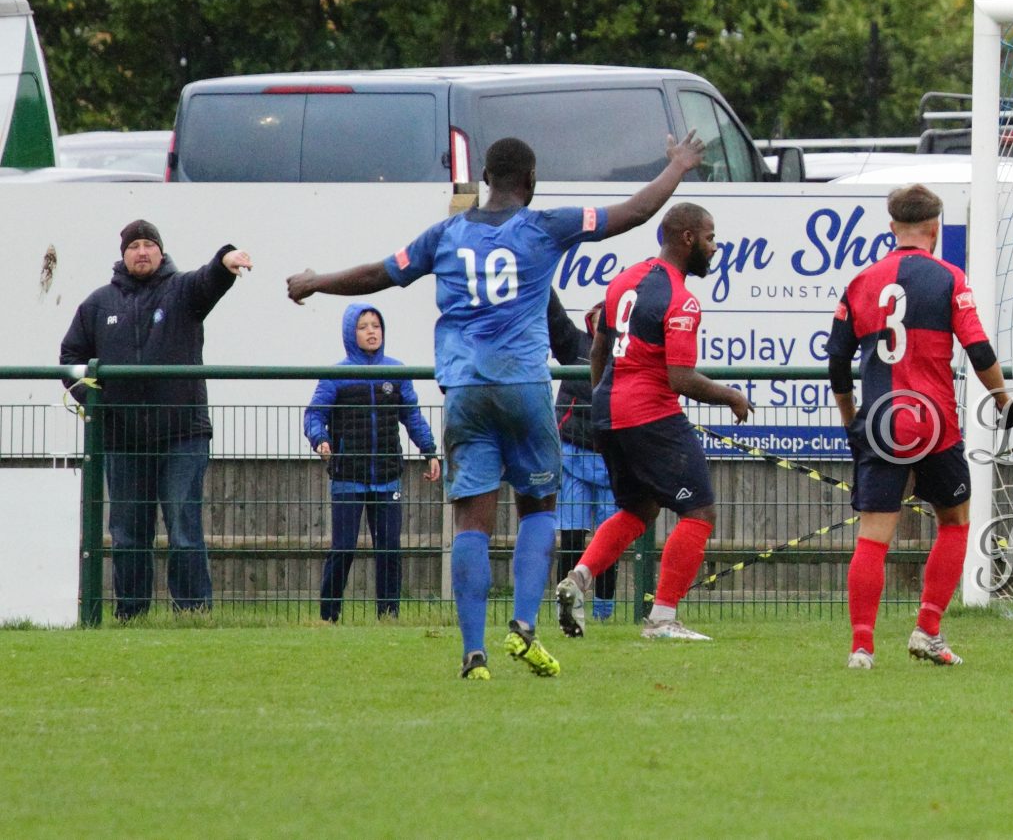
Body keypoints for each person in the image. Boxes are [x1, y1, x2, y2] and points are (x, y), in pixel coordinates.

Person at [287, 131, 703, 680]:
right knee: (539, 508)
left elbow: (379, 274)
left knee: (472, 524)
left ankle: (473, 650)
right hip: (524, 388)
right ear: (530, 182)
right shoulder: (544, 225)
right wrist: (676, 166)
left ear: (484, 179)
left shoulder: (446, 234)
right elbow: (634, 212)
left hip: (465, 390)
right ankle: (525, 627)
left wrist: (315, 281)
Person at [830, 183, 1013, 670]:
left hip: (881, 423)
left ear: (892, 229)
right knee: (954, 522)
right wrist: (1001, 397)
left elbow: (836, 362)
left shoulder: (862, 282)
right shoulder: (950, 278)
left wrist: (853, 420)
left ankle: (861, 649)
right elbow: (978, 350)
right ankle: (927, 630)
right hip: (934, 423)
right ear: (935, 228)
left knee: (873, 536)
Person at [553, 203, 752, 642]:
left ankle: (578, 580)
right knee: (698, 511)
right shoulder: (680, 299)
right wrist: (731, 396)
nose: (714, 248)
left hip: (607, 414)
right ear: (687, 238)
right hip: (650, 412)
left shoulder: (623, 280)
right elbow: (679, 378)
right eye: (710, 237)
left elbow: (599, 349)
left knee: (638, 510)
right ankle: (662, 619)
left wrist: (606, 397)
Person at [59, 220, 252, 618]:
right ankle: (131, 615)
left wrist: (224, 260)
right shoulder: (97, 305)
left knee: (183, 530)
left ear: (161, 252)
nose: (142, 252)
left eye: (149, 245)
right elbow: (70, 360)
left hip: (183, 434)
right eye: (134, 246)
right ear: (123, 254)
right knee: (128, 535)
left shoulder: (182, 291)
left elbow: (207, 281)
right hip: (123, 438)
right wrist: (96, 402)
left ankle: (193, 614)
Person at [303, 304, 440, 621]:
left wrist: (430, 451)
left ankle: (389, 615)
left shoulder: (397, 371)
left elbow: (412, 416)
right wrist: (319, 438)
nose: (371, 331)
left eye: (375, 325)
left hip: (388, 477)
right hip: (347, 476)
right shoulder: (336, 375)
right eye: (363, 326)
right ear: (351, 333)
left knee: (390, 549)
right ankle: (329, 616)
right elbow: (314, 414)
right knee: (344, 549)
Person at [552, 301, 620, 623]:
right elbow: (554, 318)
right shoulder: (573, 344)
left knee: (609, 541)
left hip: (612, 461)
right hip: (573, 455)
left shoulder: (626, 354)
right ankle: (565, 606)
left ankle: (604, 613)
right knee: (572, 537)